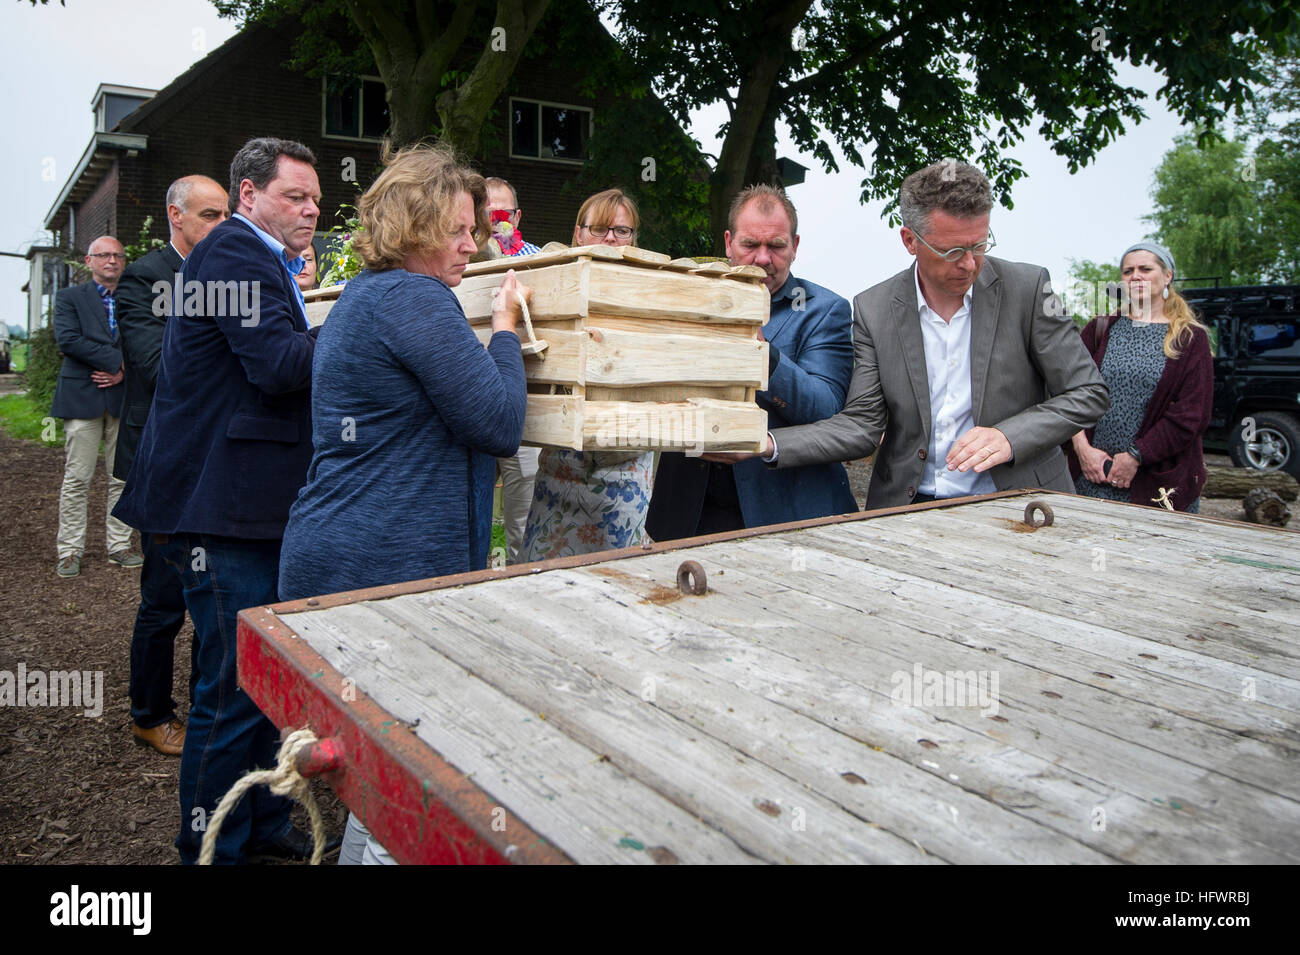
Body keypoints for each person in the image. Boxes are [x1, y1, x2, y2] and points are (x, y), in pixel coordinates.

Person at [279, 144, 528, 865]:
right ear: (414, 226)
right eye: (455, 228)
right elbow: (497, 423)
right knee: (408, 773)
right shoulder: (416, 299)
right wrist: (506, 331)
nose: (471, 242)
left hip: (337, 555)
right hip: (385, 570)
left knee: (367, 776)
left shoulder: (361, 296)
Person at [114, 137, 329, 865]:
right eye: (295, 196)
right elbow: (276, 365)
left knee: (264, 689)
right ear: (248, 195)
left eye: (317, 199)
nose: (311, 209)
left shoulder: (259, 259)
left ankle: (260, 828)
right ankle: (211, 846)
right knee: (234, 689)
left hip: (243, 508)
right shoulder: (238, 253)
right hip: (219, 512)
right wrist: (361, 326)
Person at [727, 160, 1108, 507]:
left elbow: (1088, 392)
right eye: (952, 251)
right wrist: (768, 444)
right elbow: (861, 425)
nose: (971, 263)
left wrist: (1010, 437)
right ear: (909, 241)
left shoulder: (1030, 288)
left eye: (979, 244)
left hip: (1022, 504)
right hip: (908, 509)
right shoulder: (874, 308)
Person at [646, 185, 857, 540]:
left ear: (795, 247)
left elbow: (826, 410)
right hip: (684, 510)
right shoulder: (686, 299)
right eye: (749, 245)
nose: (762, 258)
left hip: (783, 513)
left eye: (775, 246)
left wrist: (764, 353)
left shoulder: (826, 311)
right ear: (728, 242)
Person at [114, 174, 228, 756]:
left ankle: (204, 710)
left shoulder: (231, 275)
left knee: (212, 598)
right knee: (163, 601)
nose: (222, 227)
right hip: (163, 465)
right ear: (174, 215)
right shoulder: (145, 277)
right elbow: (160, 367)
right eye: (210, 216)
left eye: (227, 215)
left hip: (217, 462)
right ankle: (149, 715)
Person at [522, 189, 654, 560]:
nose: (611, 238)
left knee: (613, 579)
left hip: (622, 466)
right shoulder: (557, 280)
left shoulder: (651, 290)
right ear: (578, 233)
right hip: (561, 461)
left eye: (622, 231)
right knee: (541, 571)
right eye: (599, 228)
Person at [1067, 242, 1213, 512]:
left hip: (1157, 485)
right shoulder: (1100, 329)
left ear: (1167, 275)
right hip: (1091, 476)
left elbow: (1192, 414)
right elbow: (1067, 391)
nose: (1135, 276)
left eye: (1146, 269)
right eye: (1128, 271)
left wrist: (1136, 455)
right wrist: (1081, 448)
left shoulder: (1190, 338)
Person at [50, 235, 139, 578]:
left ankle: (119, 545)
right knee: (77, 478)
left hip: (123, 396)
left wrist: (124, 371)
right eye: (103, 255)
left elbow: (149, 338)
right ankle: (70, 550)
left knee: (121, 477)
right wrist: (118, 362)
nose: (112, 261)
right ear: (89, 261)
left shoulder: (136, 298)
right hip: (82, 395)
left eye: (118, 255)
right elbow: (68, 339)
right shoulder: (70, 297)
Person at [487, 177, 542, 563]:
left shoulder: (539, 262)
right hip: (467, 394)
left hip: (520, 396)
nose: (496, 221)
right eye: (487, 214)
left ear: (518, 215)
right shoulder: (460, 256)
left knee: (522, 515)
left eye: (503, 213)